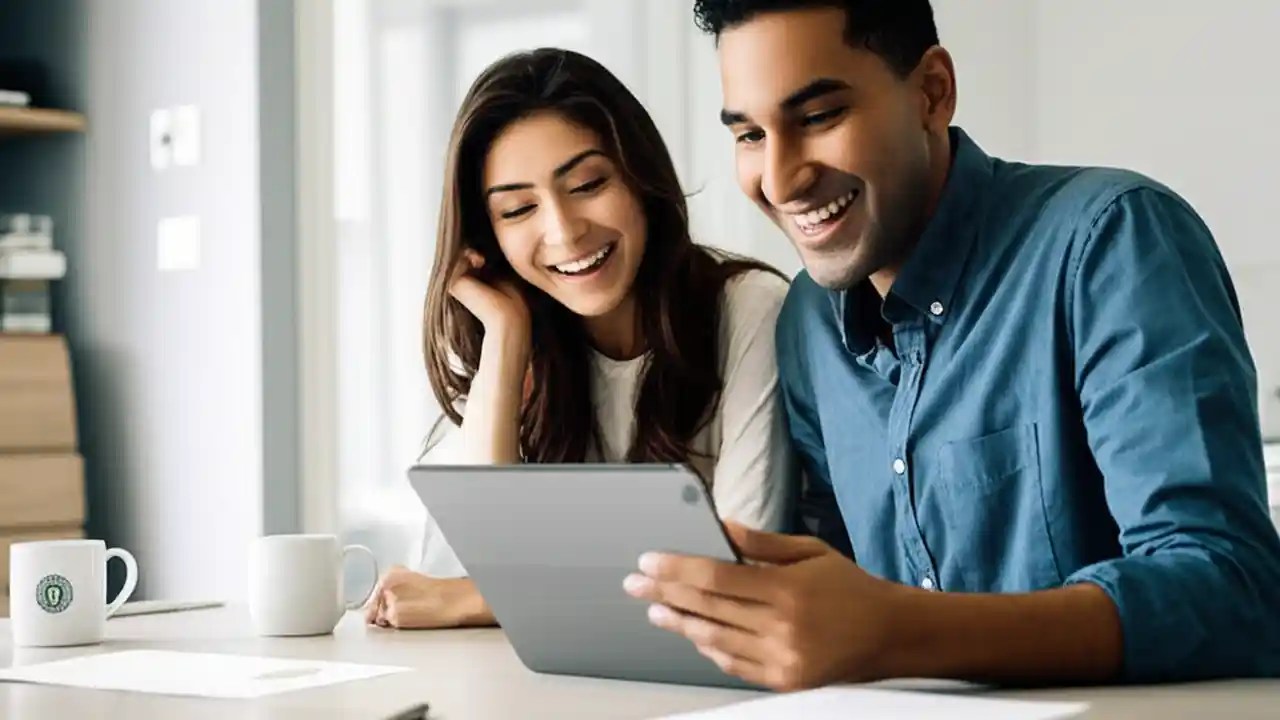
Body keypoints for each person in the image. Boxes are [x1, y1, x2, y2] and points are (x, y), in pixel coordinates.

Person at [625, 0, 1280, 689]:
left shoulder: (1111, 243)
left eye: (818, 118)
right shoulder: (810, 325)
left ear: (933, 92)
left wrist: (898, 632)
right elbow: (830, 606)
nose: (782, 179)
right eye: (751, 135)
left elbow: (1230, 586)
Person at [364, 48, 797, 630]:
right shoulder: (517, 348)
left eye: (588, 183)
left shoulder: (748, 309)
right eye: (518, 209)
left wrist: (480, 600)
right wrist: (506, 334)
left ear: (641, 180)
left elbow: (742, 577)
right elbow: (466, 564)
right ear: (488, 236)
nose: (564, 231)